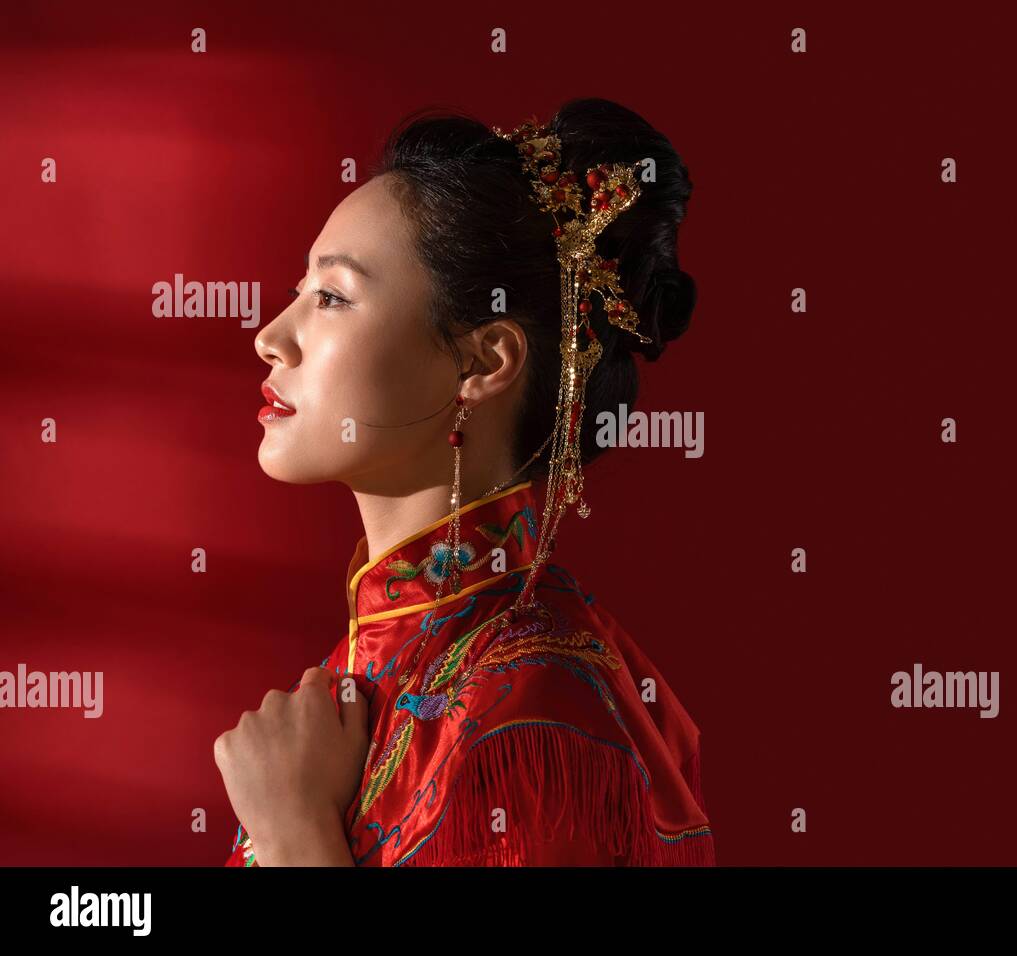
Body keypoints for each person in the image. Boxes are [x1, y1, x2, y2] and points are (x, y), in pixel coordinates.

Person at [213, 98, 715, 866]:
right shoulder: (373, 665)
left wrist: (295, 836)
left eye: (333, 297)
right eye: (299, 290)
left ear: (482, 362)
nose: (272, 337)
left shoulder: (540, 714)